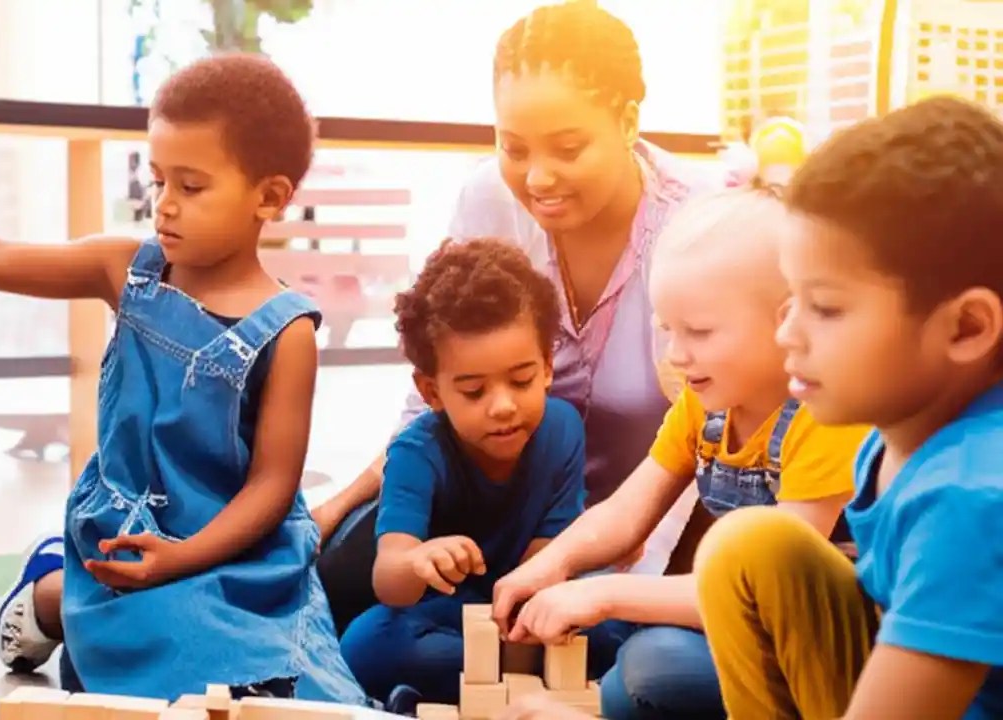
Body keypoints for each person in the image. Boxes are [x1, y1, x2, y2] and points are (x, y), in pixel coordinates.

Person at [0, 54, 365, 705]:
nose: (165, 206)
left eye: (192, 185)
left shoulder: (288, 332)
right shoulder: (126, 269)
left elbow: (272, 487)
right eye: (158, 181)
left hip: (238, 551)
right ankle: (52, 595)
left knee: (304, 691)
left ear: (268, 197)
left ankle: (58, 588)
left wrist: (186, 558)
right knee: (178, 668)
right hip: (131, 532)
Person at [313, 0, 721, 637]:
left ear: (627, 120)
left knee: (617, 654)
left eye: (567, 147)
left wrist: (615, 558)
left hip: (640, 523)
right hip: (498, 507)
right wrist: (343, 502)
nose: (537, 177)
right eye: (514, 146)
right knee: (339, 583)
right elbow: (440, 382)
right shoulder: (488, 197)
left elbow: (711, 432)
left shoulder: (698, 223)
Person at [495, 188, 869, 720]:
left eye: (699, 332)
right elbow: (627, 512)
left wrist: (607, 599)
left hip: (795, 651)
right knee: (573, 609)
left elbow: (764, 593)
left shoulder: (826, 419)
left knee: (649, 671)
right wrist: (552, 566)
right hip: (723, 614)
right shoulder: (704, 404)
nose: (675, 354)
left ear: (786, 321)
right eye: (668, 329)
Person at [695, 96, 1003, 720]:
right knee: (752, 546)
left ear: (967, 327)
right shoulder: (897, 436)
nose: (788, 334)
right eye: (791, 300)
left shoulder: (974, 493)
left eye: (827, 308)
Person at [338, 239, 586, 706]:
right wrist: (417, 561)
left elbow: (549, 558)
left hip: (530, 603)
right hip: (449, 612)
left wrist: (531, 617)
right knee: (366, 643)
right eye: (473, 391)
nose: (503, 407)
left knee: (616, 628)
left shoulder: (562, 428)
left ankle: (495, 681)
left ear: (549, 367)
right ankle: (505, 685)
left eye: (522, 380)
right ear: (431, 391)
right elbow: (388, 577)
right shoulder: (416, 451)